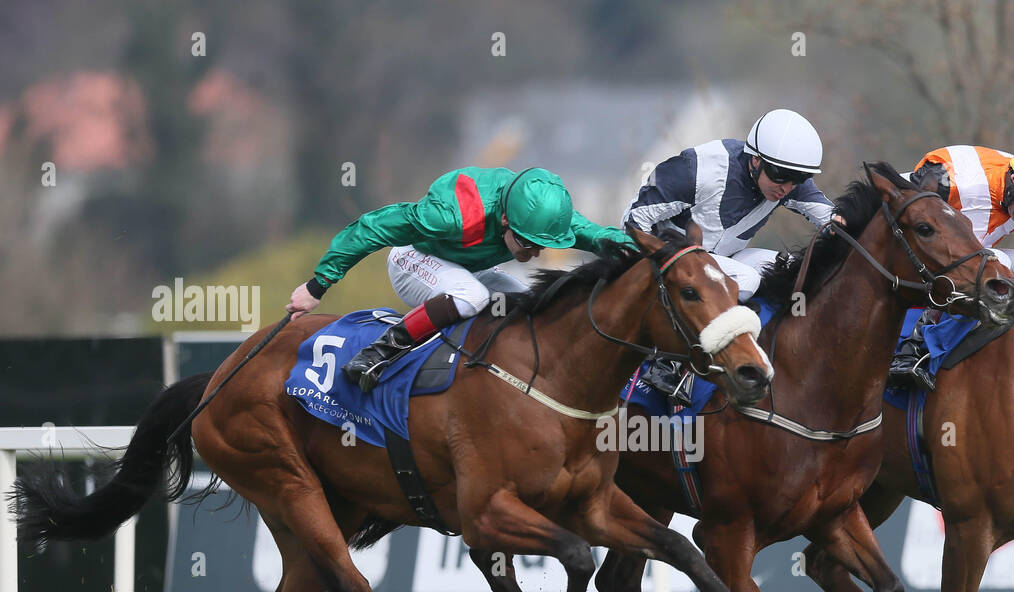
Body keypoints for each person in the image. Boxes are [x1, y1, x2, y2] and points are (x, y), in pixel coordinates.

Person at [285, 166, 630, 391]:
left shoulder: (546, 218)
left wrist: (668, 255)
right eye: (528, 244)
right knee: (474, 295)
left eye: (543, 245)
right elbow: (372, 227)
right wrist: (318, 286)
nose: (535, 253)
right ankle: (379, 352)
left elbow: (609, 238)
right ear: (507, 219)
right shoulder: (451, 215)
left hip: (467, 268)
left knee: (533, 300)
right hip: (412, 258)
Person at [623, 109, 838, 398]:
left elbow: (834, 219)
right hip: (675, 269)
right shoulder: (699, 168)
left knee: (787, 265)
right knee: (747, 278)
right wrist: (659, 269)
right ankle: (666, 361)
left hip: (720, 260)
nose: (786, 187)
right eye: (780, 176)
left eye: (798, 178)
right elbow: (634, 219)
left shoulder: (785, 178)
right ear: (755, 159)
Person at [889, 138, 1014, 391]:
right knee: (993, 266)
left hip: (965, 266)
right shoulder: (953, 178)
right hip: (922, 271)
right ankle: (915, 346)